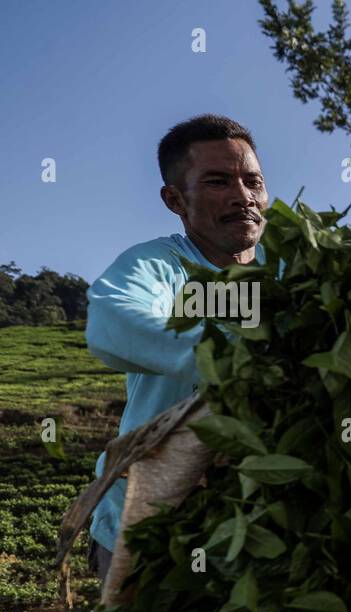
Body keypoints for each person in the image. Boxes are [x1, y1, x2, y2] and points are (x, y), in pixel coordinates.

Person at [85, 114, 269, 584]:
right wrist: (238, 357)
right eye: (217, 181)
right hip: (149, 515)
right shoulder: (161, 266)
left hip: (261, 514)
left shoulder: (294, 266)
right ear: (174, 199)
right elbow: (112, 319)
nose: (242, 196)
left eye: (253, 181)